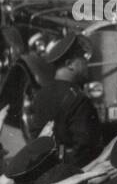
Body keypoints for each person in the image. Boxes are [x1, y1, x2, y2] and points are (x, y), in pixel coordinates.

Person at [31, 34, 105, 168]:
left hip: (44, 168)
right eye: (83, 59)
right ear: (70, 64)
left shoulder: (41, 94)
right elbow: (86, 148)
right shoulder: (79, 99)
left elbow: (35, 136)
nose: (87, 64)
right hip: (70, 172)